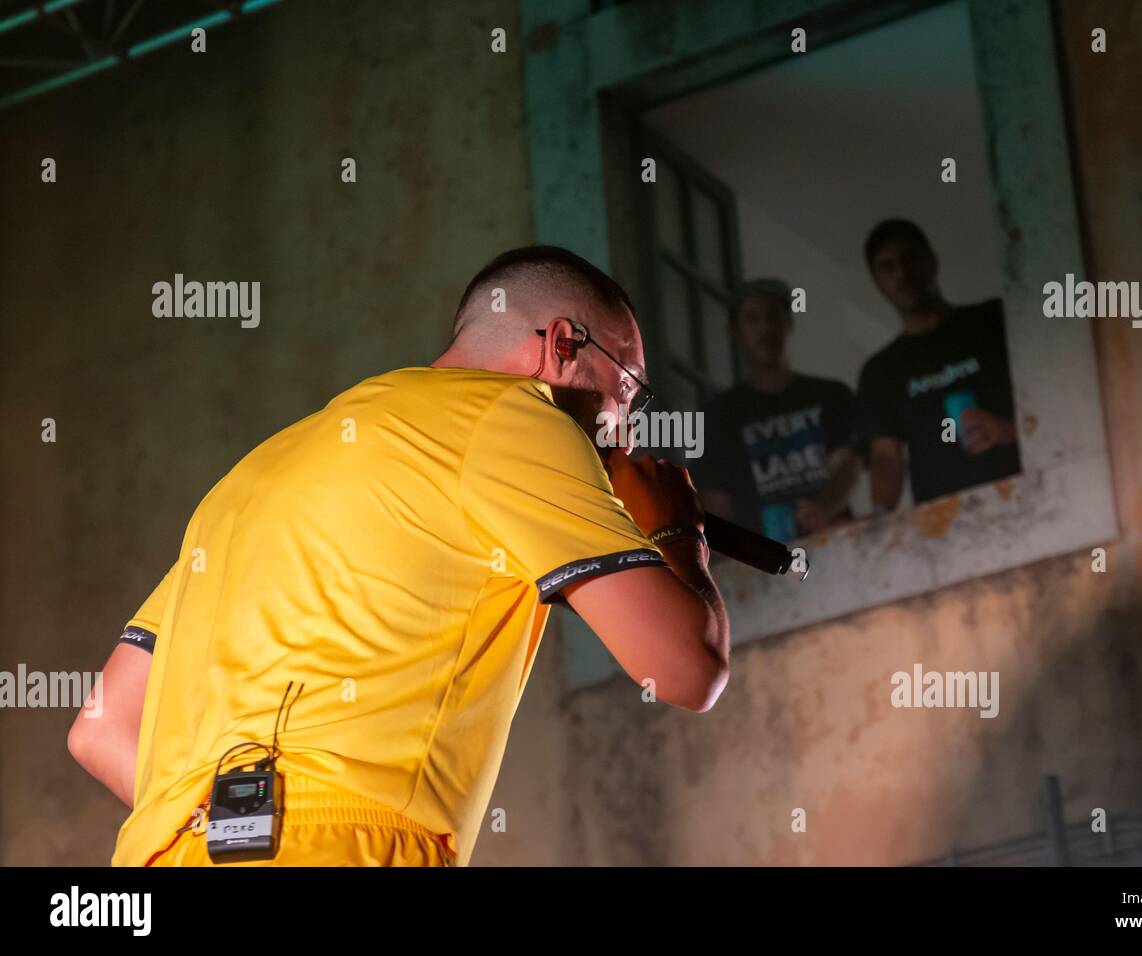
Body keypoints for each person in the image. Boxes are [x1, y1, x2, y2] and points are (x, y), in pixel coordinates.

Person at [67, 246, 730, 867]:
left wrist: (240, 834)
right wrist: (675, 530)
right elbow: (686, 671)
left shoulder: (249, 479)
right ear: (561, 346)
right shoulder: (517, 418)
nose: (628, 428)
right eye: (628, 391)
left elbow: (99, 731)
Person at [856, 219, 1020, 511]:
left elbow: (1057, 400)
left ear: (931, 261)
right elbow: (886, 458)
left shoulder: (993, 321)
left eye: (909, 259)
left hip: (1029, 496)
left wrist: (1006, 430)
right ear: (876, 282)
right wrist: (878, 522)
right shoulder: (879, 372)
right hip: (946, 528)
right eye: (888, 267)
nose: (902, 273)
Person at [694, 279, 859, 543]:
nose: (765, 328)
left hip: (835, 544)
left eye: (773, 316)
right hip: (760, 565)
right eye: (752, 319)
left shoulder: (830, 395)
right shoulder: (717, 417)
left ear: (788, 324)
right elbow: (715, 504)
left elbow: (848, 463)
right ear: (735, 332)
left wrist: (823, 509)